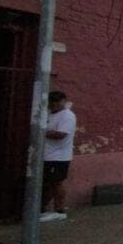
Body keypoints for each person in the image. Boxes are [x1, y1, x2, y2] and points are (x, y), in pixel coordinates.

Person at [41, 90, 76, 222]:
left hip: (59, 156)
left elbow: (61, 134)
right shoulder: (49, 113)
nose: (53, 105)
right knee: (47, 183)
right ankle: (43, 208)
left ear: (62, 101)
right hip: (46, 155)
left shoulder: (67, 116)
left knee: (57, 182)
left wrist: (40, 132)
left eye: (56, 102)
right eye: (51, 102)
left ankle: (59, 210)